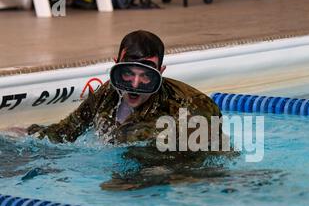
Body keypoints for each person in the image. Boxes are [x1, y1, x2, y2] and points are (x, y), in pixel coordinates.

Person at [27, 30, 222, 147]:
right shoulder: (110, 91)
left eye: (146, 75)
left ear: (160, 72)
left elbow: (196, 161)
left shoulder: (189, 107)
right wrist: (21, 135)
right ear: (116, 65)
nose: (135, 85)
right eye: (128, 73)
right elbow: (66, 131)